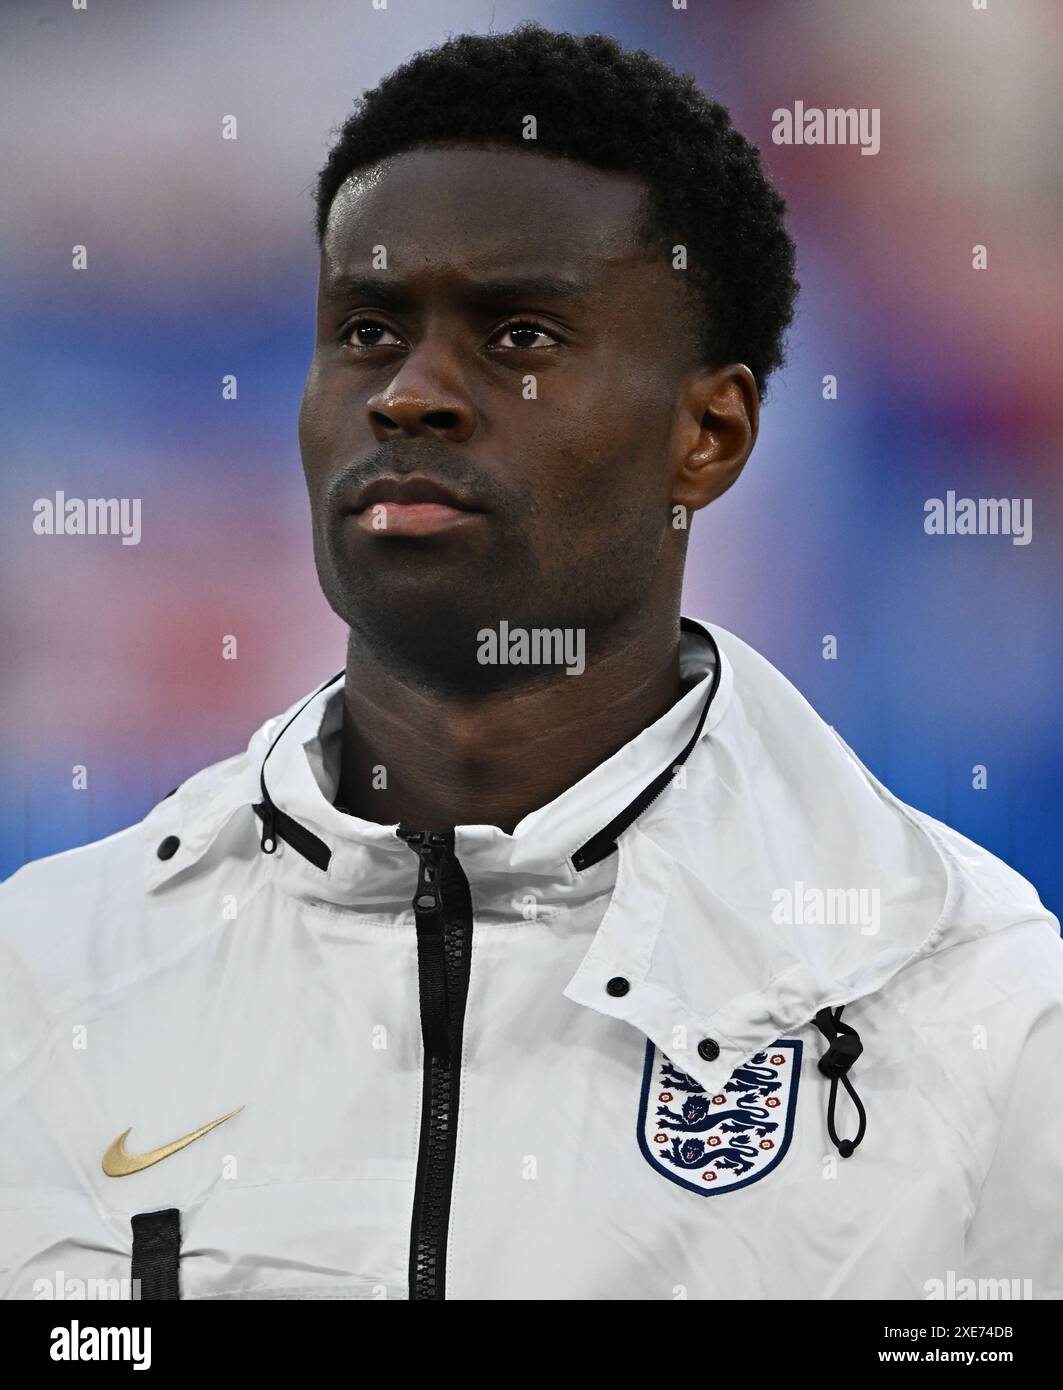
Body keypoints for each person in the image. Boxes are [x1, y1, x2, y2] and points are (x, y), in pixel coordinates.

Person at [2, 24, 1060, 1303]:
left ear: (709, 434)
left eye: (520, 338)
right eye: (368, 331)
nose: (410, 396)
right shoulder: (45, 976)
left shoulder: (971, 1003)